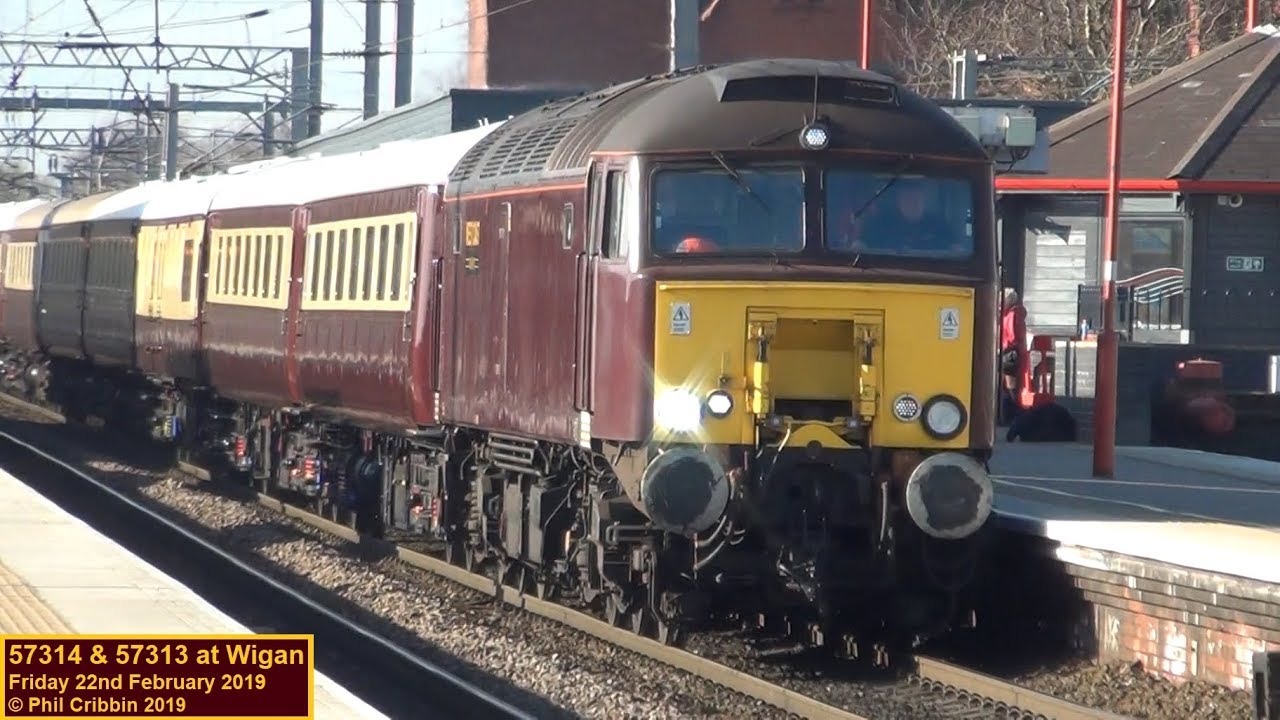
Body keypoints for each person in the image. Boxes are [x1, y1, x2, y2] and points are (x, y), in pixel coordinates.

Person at [999, 288, 1027, 426]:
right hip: (1011, 351)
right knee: (1008, 385)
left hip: (1009, 353)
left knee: (1009, 385)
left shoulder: (1012, 315)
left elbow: (1012, 336)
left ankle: (1014, 415)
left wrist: (1001, 347)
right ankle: (1010, 415)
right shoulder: (1012, 314)